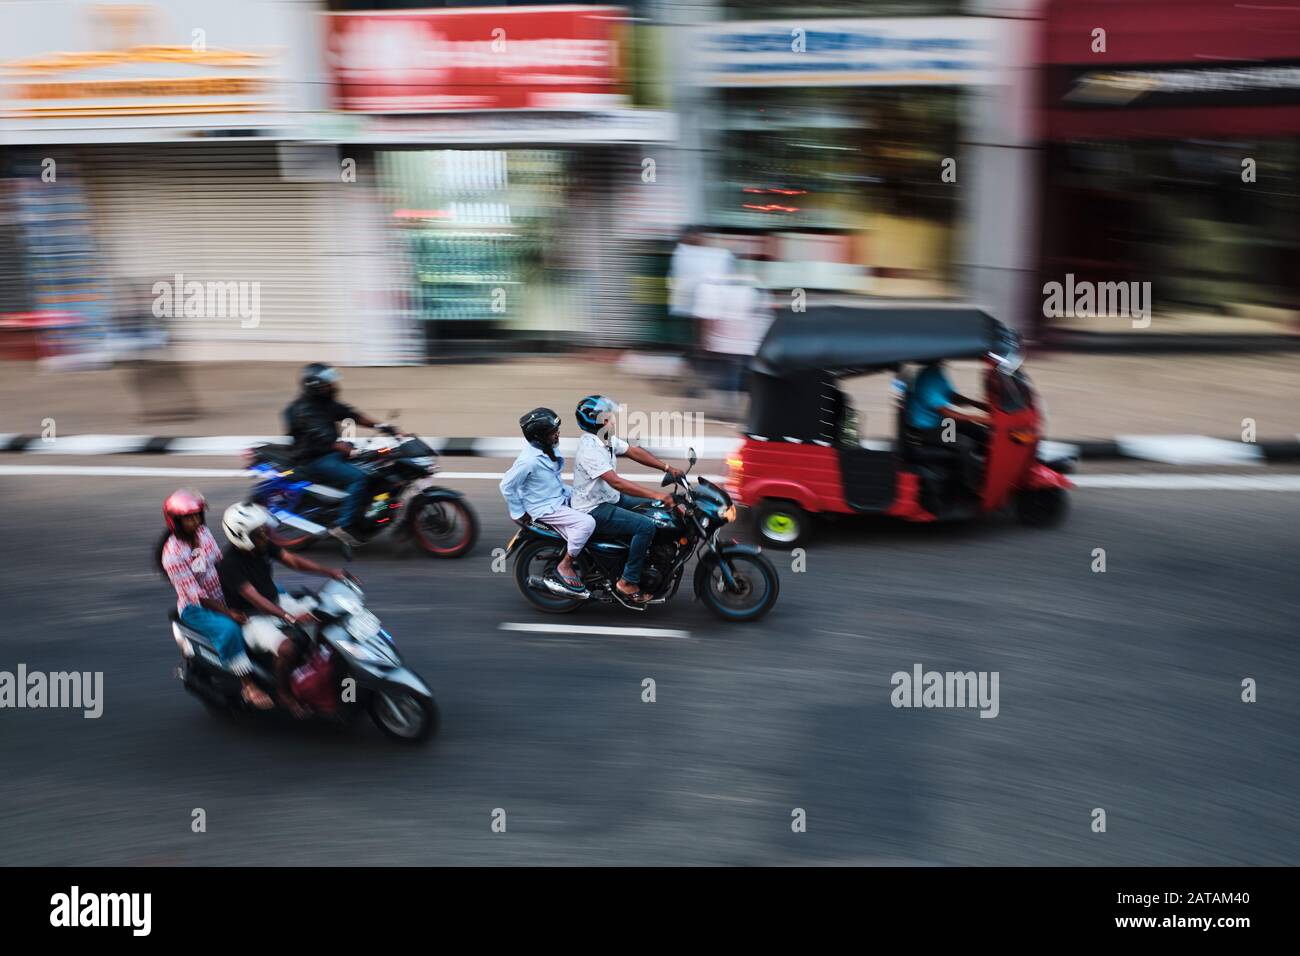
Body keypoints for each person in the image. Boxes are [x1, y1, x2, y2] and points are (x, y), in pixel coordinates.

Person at [218, 502, 348, 717]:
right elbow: (257, 600)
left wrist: (330, 572)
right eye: (259, 533)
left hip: (276, 602)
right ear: (242, 536)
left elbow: (293, 561)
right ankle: (284, 694)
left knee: (325, 610)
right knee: (287, 649)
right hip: (253, 619)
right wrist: (290, 616)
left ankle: (322, 671)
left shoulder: (261, 544)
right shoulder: (230, 564)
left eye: (262, 530)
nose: (265, 535)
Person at [157, 489, 270, 710]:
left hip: (222, 594)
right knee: (230, 630)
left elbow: (219, 561)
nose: (195, 520)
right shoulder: (172, 555)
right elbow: (196, 595)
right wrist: (229, 613)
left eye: (198, 515)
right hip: (197, 608)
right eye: (189, 517)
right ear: (176, 521)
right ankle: (248, 685)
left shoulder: (203, 533)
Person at [569, 395, 683, 605]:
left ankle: (649, 558)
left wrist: (667, 468)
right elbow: (617, 482)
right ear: (596, 421)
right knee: (645, 526)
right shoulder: (590, 450)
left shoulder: (605, 438)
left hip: (609, 498)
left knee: (655, 510)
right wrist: (657, 494)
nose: (612, 420)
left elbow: (634, 451)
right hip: (594, 508)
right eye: (608, 417)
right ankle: (627, 581)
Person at [284, 362, 389, 547]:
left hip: (329, 452)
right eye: (328, 383)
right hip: (313, 458)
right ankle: (344, 526)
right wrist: (355, 451)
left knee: (377, 468)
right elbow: (327, 439)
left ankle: (364, 510)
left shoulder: (325, 403)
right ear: (315, 386)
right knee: (359, 478)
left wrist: (383, 427)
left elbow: (352, 414)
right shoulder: (304, 410)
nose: (333, 386)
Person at [500, 408, 595, 596]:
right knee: (587, 523)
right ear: (539, 436)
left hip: (558, 495)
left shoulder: (545, 448)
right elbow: (506, 485)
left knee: (596, 500)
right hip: (545, 507)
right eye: (553, 432)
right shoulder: (528, 461)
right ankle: (565, 565)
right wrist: (518, 513)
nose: (557, 434)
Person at [903, 361, 990, 491]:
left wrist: (980, 405)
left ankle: (987, 470)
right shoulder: (927, 379)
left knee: (977, 430)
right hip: (927, 429)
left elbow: (951, 396)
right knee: (964, 444)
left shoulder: (936, 371)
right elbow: (947, 412)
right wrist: (981, 418)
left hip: (941, 423)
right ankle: (969, 487)